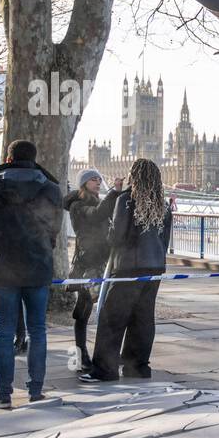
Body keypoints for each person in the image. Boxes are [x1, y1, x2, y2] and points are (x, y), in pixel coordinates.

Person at [0, 140, 62, 409]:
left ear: (8, 159)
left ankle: (3, 394)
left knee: (3, 332)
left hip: (2, 268)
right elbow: (55, 228)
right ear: (34, 159)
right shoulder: (51, 188)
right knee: (38, 331)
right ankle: (36, 392)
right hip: (38, 267)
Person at [81, 158, 171, 383]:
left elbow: (117, 237)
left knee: (113, 318)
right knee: (143, 318)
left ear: (134, 176)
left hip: (128, 267)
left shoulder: (126, 200)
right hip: (155, 267)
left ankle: (105, 370)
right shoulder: (164, 205)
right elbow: (164, 240)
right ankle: (137, 366)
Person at [63, 167, 122, 370]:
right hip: (87, 264)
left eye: (99, 179)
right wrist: (114, 192)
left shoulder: (98, 201)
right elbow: (97, 215)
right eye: (93, 179)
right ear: (84, 183)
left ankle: (101, 354)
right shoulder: (77, 206)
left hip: (102, 262)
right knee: (84, 309)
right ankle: (81, 355)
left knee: (100, 308)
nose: (98, 182)